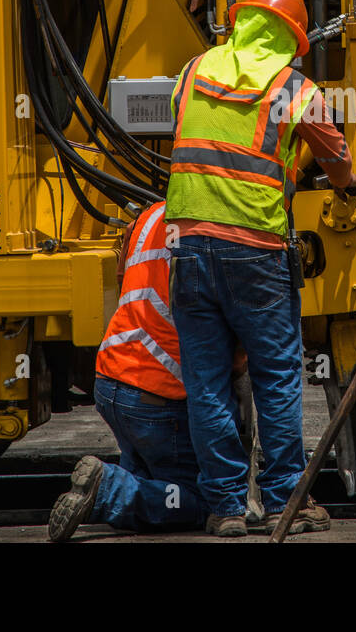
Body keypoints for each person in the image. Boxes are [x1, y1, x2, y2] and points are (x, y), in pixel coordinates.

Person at [165, 0, 356, 537]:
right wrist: (350, 186)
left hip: (186, 240)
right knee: (277, 377)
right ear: (293, 40)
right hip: (254, 246)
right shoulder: (291, 85)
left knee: (206, 381)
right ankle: (283, 501)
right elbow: (335, 153)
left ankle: (227, 507)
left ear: (242, 22)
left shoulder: (194, 69)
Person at [47, 199, 228, 540]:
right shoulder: (213, 225)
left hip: (112, 376)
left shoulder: (149, 216)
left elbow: (122, 276)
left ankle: (116, 489)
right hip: (156, 394)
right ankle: (108, 491)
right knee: (204, 501)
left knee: (151, 488)